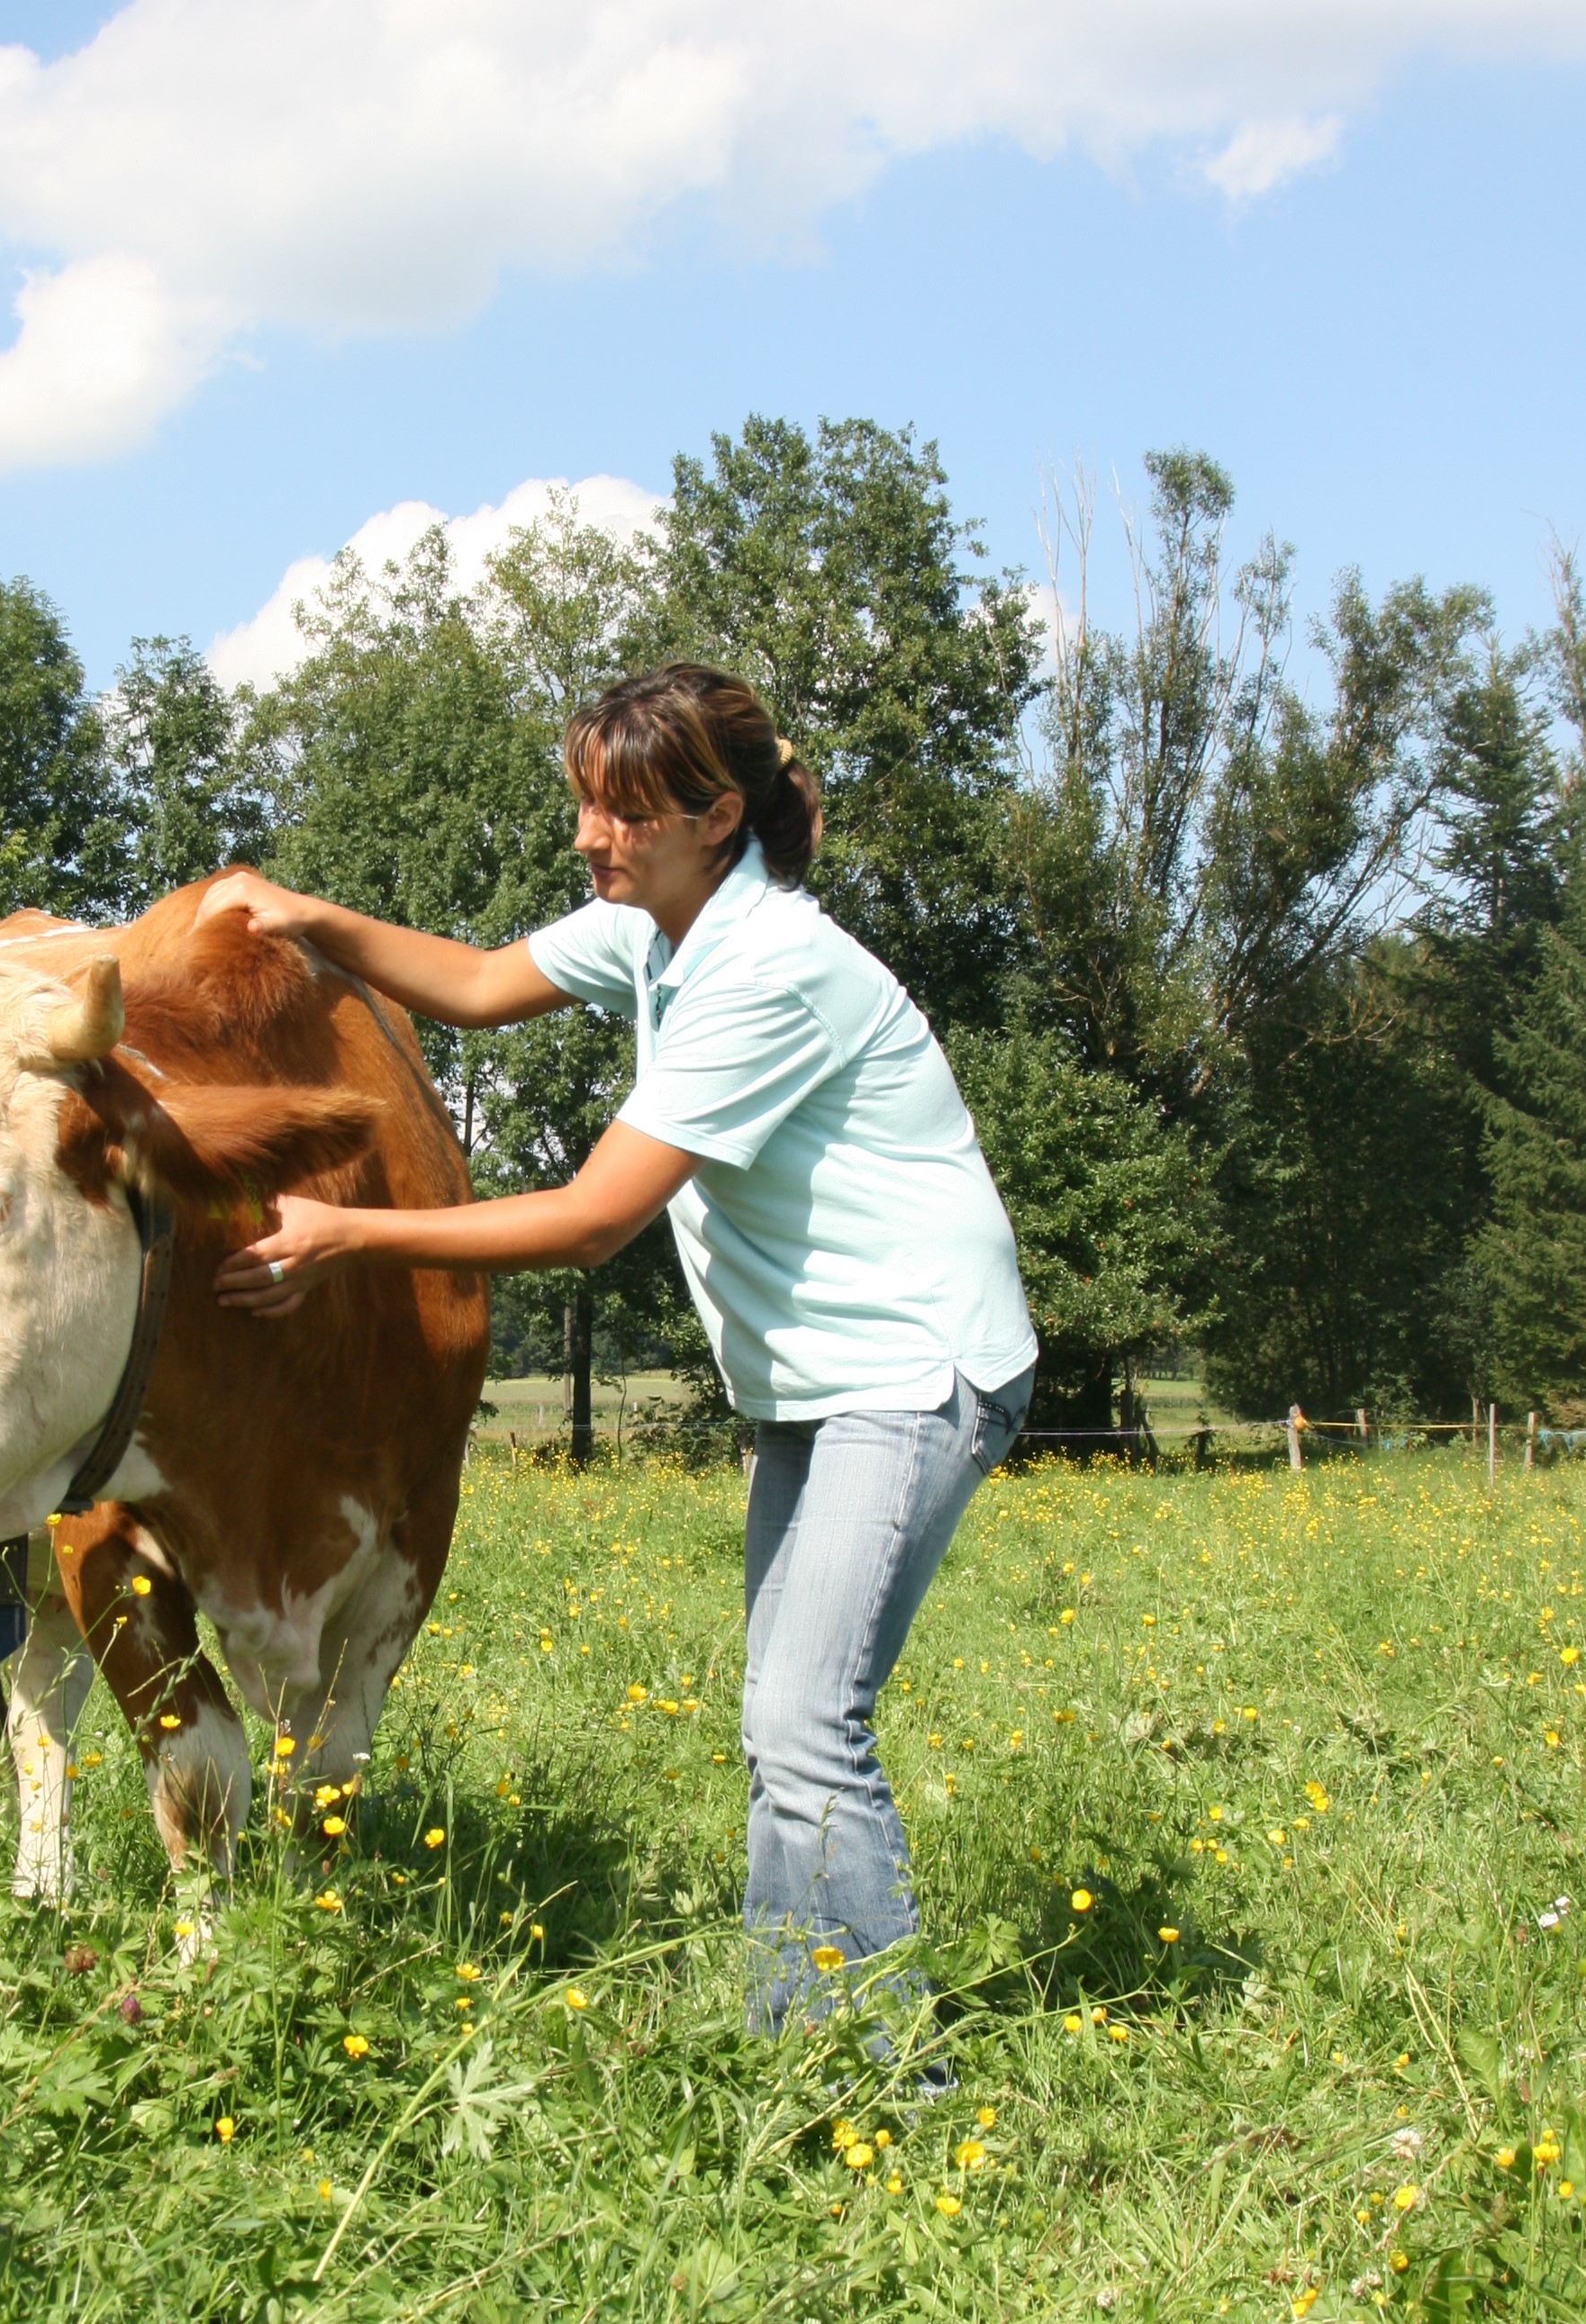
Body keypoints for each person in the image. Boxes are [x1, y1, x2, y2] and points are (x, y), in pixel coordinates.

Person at [197, 663, 1035, 2030]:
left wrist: (350, 1238)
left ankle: (889, 2070)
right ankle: (796, 2034)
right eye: (585, 801)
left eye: (624, 810)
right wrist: (308, 918)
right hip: (821, 1384)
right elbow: (470, 984)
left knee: (808, 1726)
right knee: (782, 1725)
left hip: (912, 1368)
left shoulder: (766, 970)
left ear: (717, 818)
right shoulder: (654, 933)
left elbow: (592, 1220)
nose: (591, 835)